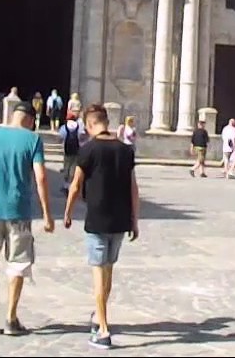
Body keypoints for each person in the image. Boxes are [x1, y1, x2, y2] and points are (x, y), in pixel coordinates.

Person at [0, 101, 54, 336]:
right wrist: (47, 214)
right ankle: (11, 318)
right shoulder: (33, 140)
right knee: (18, 263)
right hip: (19, 211)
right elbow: (41, 178)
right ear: (30, 120)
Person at [64, 104, 139, 350]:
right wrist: (134, 220)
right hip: (119, 221)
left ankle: (103, 329)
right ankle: (99, 315)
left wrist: (67, 213)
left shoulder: (87, 150)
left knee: (98, 273)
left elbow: (75, 185)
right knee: (107, 272)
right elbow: (133, 188)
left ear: (89, 124)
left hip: (96, 220)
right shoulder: (126, 151)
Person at [58, 111, 84, 194]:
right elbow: (82, 137)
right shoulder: (78, 126)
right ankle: (71, 185)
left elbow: (60, 138)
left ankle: (66, 185)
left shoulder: (64, 127)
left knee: (66, 167)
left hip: (67, 150)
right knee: (73, 167)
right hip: (76, 150)